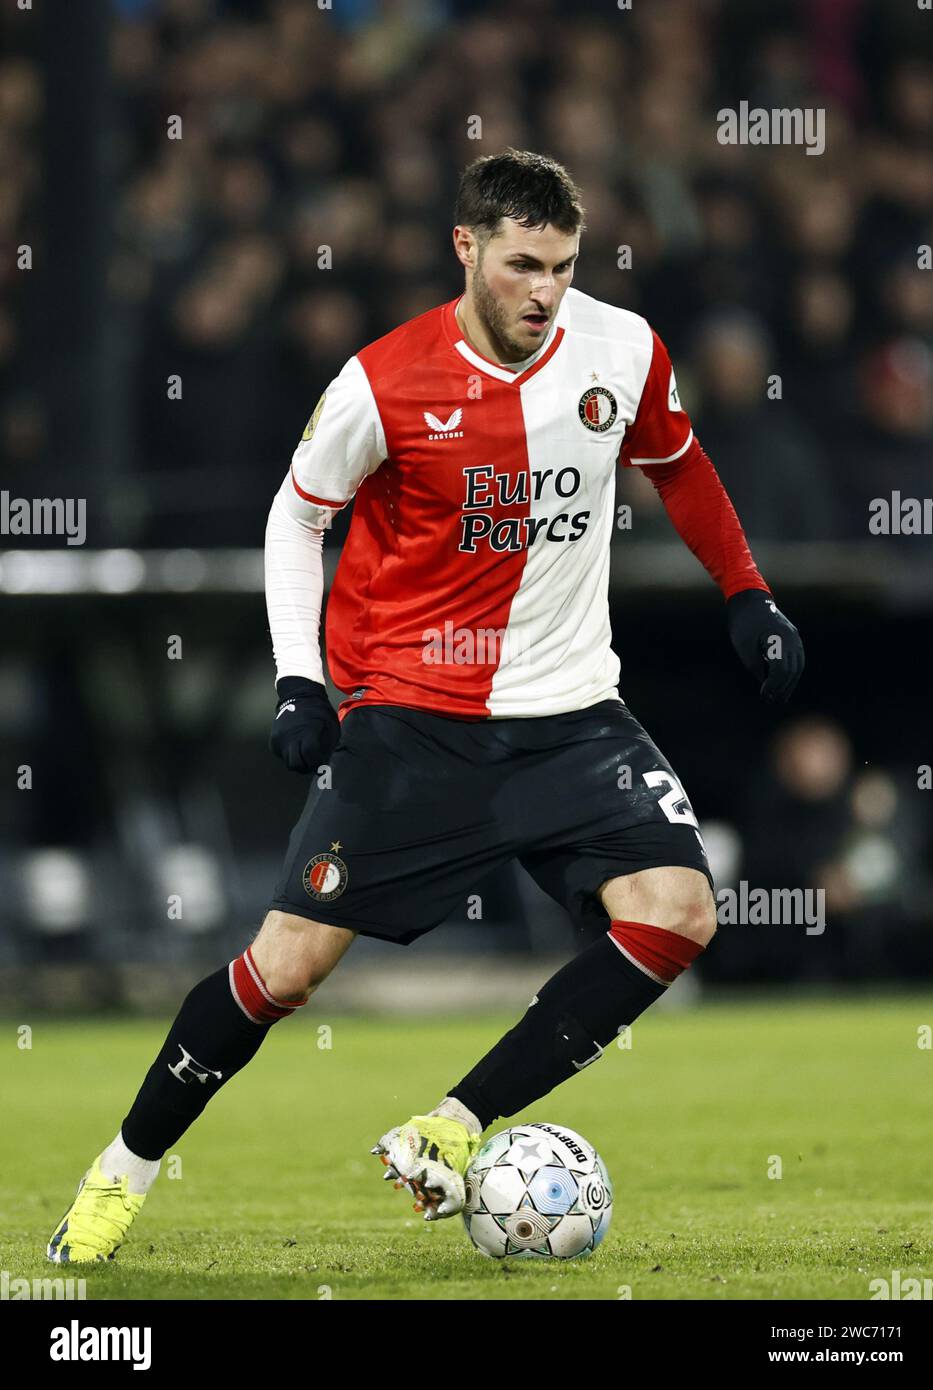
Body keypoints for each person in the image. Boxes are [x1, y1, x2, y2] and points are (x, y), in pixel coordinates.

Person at [48, 149, 803, 1262]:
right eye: (520, 266)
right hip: (414, 718)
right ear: (466, 248)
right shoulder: (383, 381)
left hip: (571, 712)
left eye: (562, 266)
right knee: (285, 970)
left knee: (678, 911)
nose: (544, 292)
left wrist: (746, 592)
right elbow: (295, 517)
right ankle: (121, 1172)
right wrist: (298, 677)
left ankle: (451, 1124)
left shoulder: (621, 349)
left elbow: (676, 463)